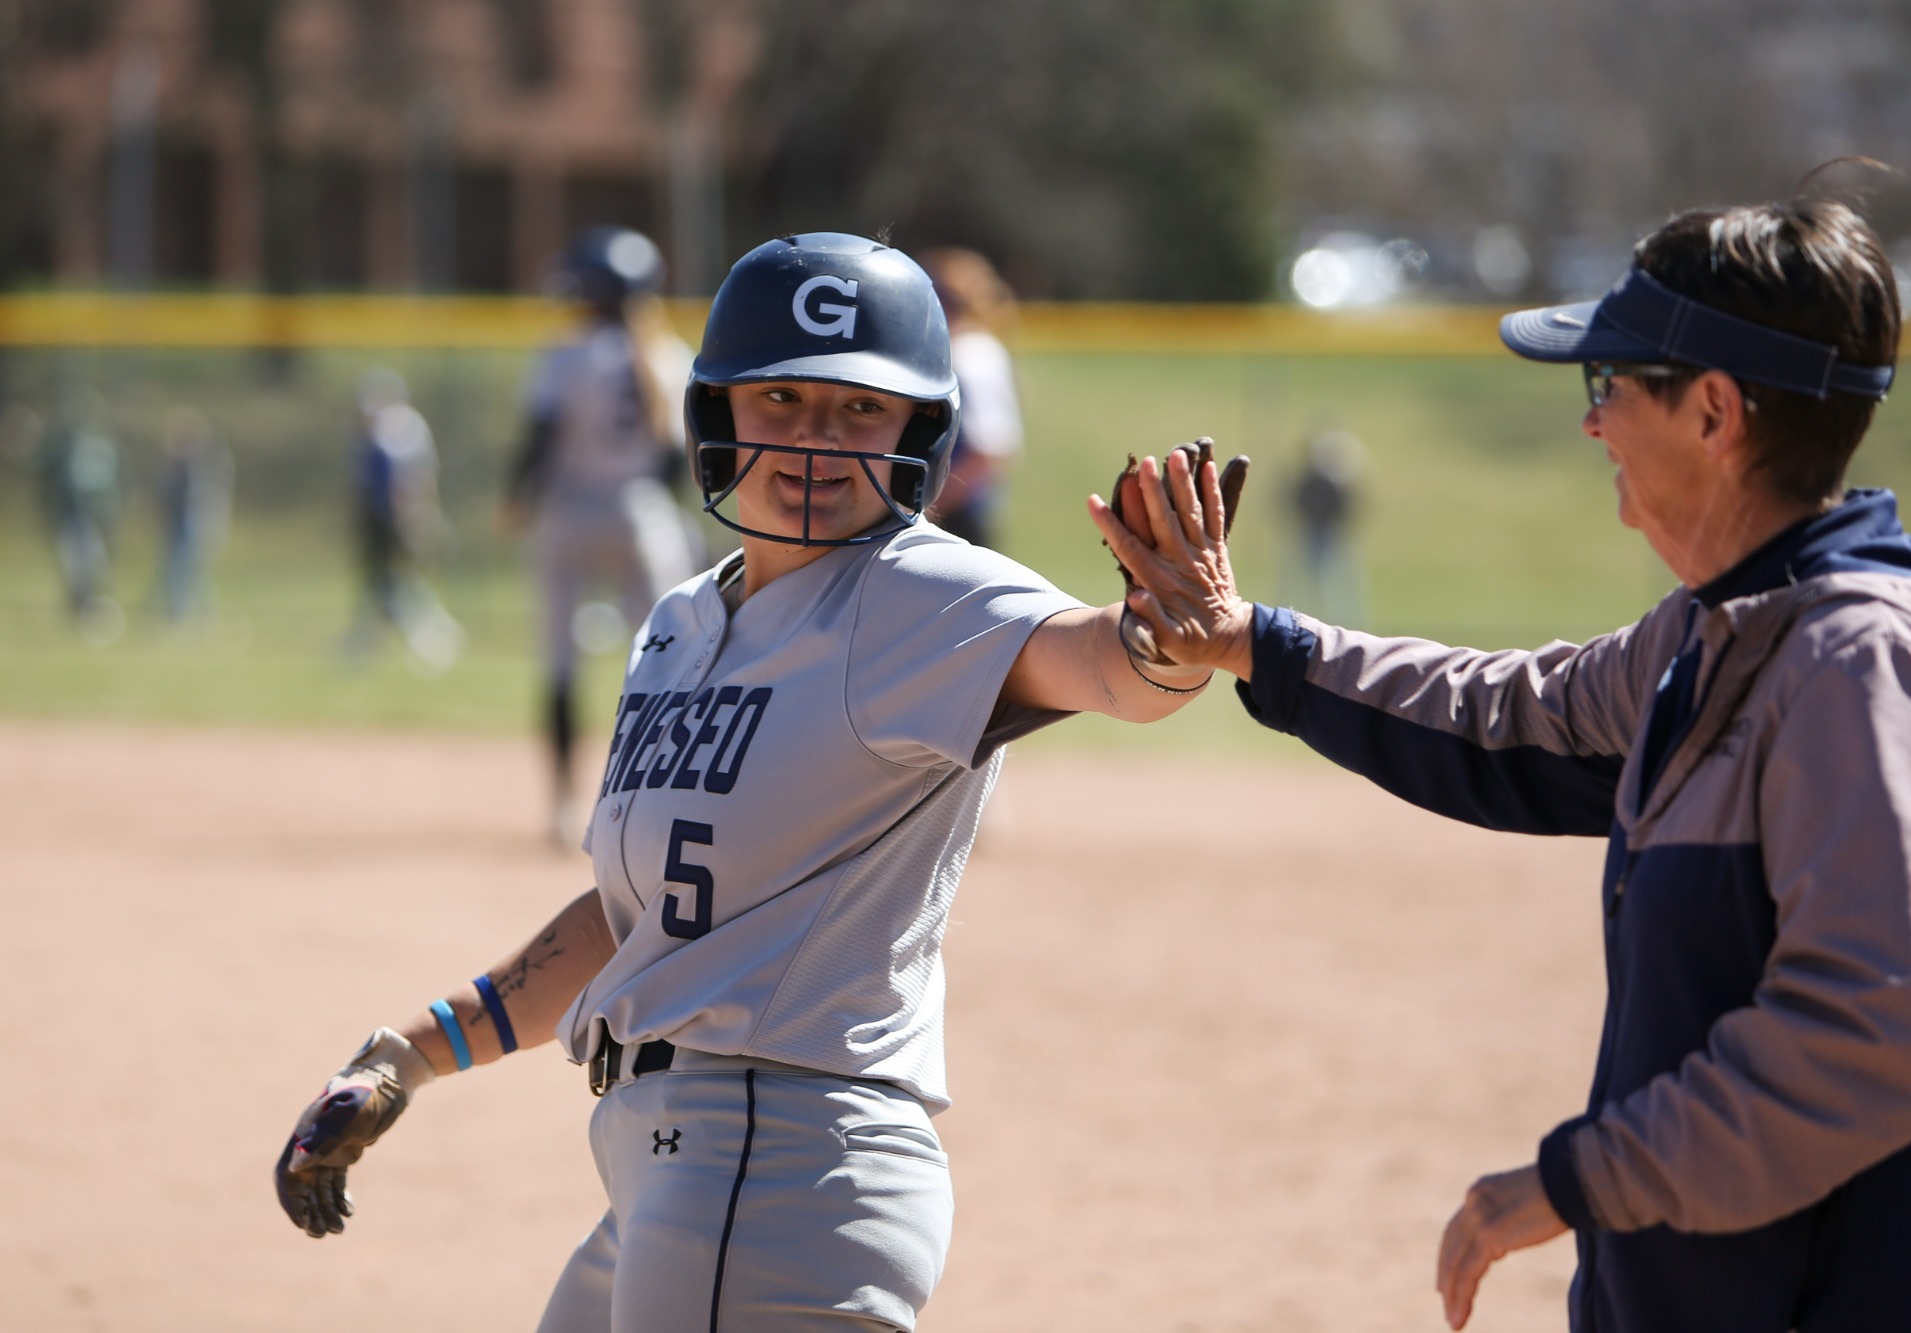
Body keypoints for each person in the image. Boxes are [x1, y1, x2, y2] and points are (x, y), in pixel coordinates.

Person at [276, 232, 1229, 1332]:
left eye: (860, 409)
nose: (817, 439)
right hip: (680, 1173)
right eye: (782, 398)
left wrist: (1166, 641)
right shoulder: (680, 622)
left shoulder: (919, 594)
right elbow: (638, 920)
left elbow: (1101, 664)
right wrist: (410, 1055)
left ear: (919, 430)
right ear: (717, 410)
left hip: (773, 1162)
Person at [1095, 198, 1911, 1332]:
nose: (1591, 422)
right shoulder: (1718, 635)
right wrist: (1245, 641)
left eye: (1608, 383)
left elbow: (1874, 1031)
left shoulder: (1856, 661)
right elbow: (1502, 716)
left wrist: (1583, 1177)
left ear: (1714, 411)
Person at [507, 227, 704, 844]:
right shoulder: (667, 352)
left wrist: (515, 498)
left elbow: (539, 438)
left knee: (561, 662)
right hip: (642, 515)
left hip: (568, 513)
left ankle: (565, 807)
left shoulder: (566, 354)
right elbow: (676, 460)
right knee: (662, 666)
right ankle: (649, 804)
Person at [342, 368, 462, 671]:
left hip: (400, 515)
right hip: (377, 516)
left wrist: (420, 514)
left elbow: (415, 476)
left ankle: (433, 634)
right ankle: (373, 637)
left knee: (400, 579)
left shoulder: (402, 425)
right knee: (383, 580)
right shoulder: (369, 433)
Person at [917, 248, 1023, 549]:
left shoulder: (974, 354)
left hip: (957, 515)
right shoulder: (948, 352)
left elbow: (988, 451)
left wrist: (925, 507)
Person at [35, 380, 124, 644]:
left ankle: (92, 615)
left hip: (94, 519)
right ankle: (79, 615)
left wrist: (112, 513)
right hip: (72, 518)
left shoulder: (104, 444)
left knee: (94, 571)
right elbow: (45, 471)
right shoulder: (63, 444)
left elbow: (118, 482)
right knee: (75, 570)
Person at [153, 404, 232, 625]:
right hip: (178, 525)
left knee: (187, 572)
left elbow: (205, 497)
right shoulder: (179, 463)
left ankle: (189, 618)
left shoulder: (201, 464)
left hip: (193, 525)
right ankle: (191, 617)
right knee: (182, 573)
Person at [1286, 425, 1366, 625]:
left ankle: (1343, 618)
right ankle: (1300, 615)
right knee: (1302, 575)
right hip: (1310, 531)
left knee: (1335, 578)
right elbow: (1298, 500)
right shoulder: (1310, 479)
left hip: (1330, 534)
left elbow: (1346, 507)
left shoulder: (1335, 481)